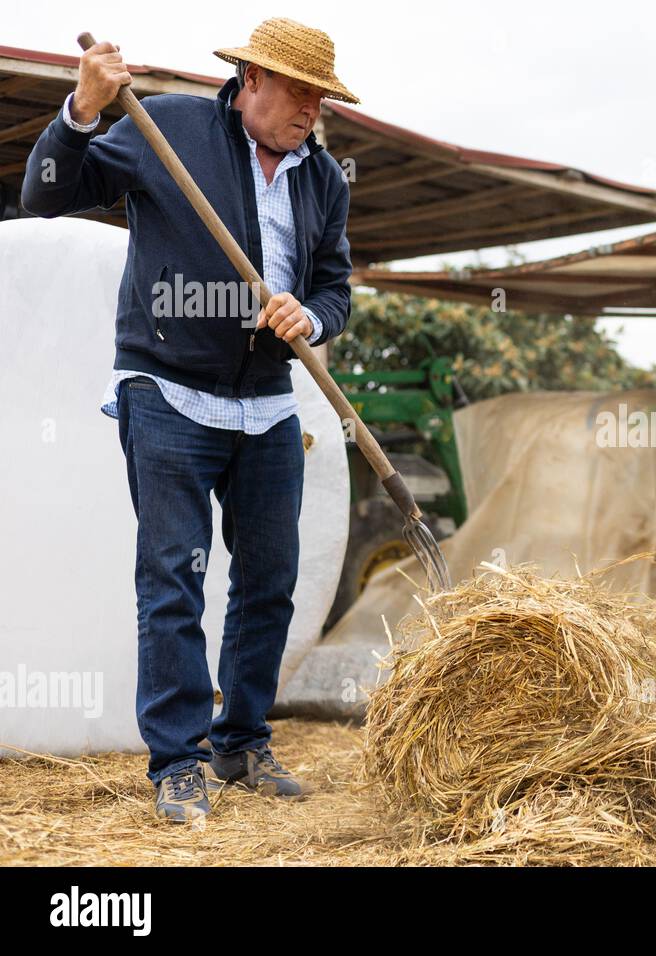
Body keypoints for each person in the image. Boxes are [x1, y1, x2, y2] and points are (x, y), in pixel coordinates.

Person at [21, 18, 358, 822]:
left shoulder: (323, 182)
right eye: (298, 90)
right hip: (168, 389)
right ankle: (178, 762)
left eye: (320, 95)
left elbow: (336, 288)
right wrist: (81, 111)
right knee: (175, 577)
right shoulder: (166, 128)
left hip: (268, 400)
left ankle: (241, 741)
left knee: (270, 578)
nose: (310, 108)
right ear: (249, 80)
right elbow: (44, 195)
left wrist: (308, 320)